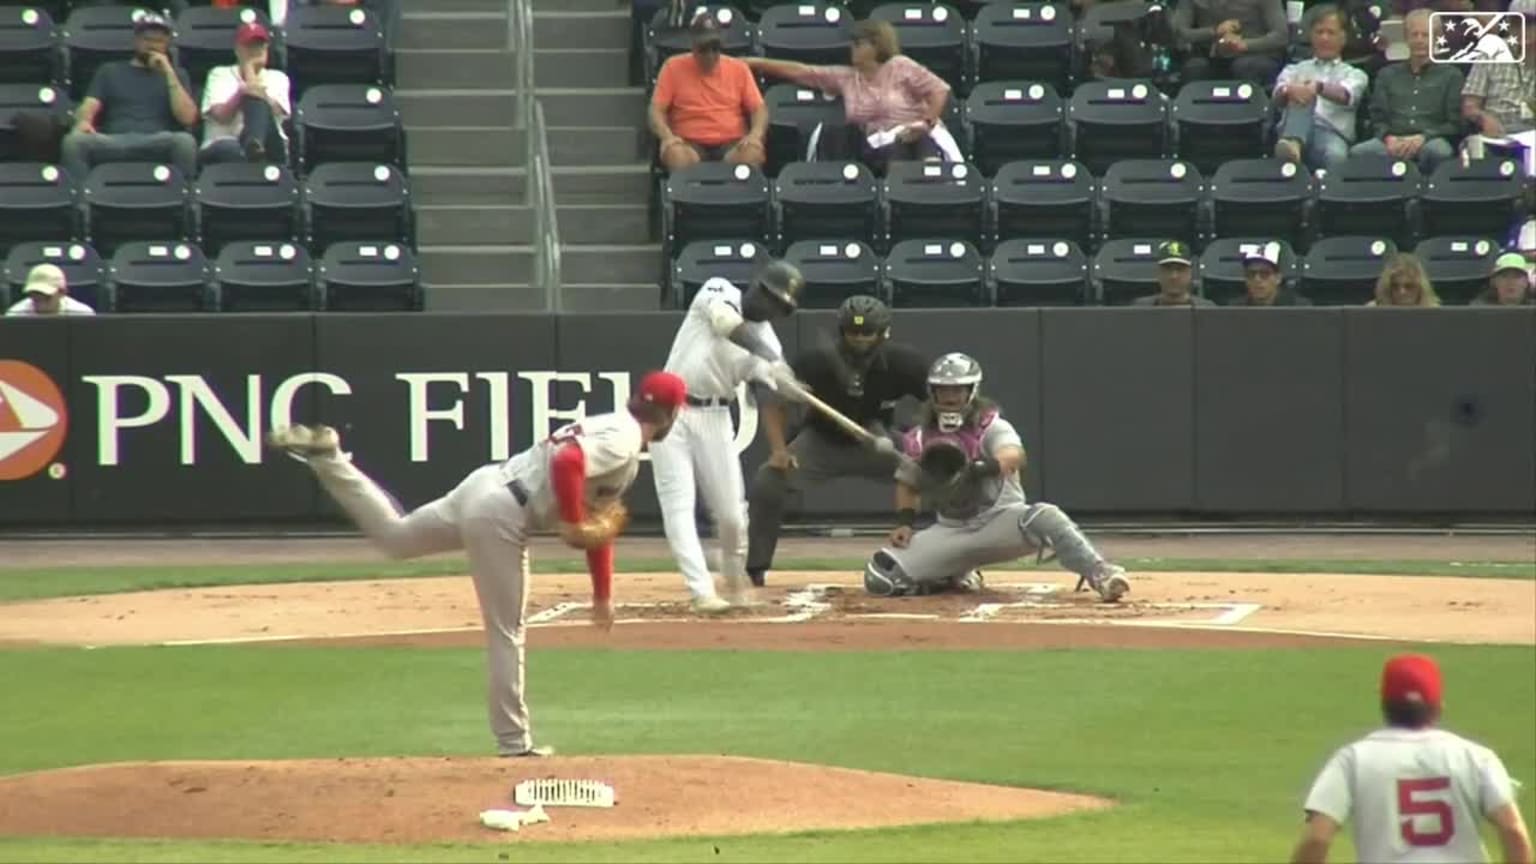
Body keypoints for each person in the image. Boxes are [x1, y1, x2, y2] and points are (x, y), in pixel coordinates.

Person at [264, 371, 689, 757]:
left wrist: (602, 593)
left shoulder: (612, 428)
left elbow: (599, 521)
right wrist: (573, 521)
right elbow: (568, 462)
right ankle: (514, 744)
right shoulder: (623, 439)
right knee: (508, 632)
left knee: (395, 538)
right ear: (670, 414)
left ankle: (328, 458)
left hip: (486, 486)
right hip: (503, 512)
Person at [863, 353, 1131, 601]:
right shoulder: (920, 437)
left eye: (957, 389)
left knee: (1045, 515)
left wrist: (980, 468)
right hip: (951, 530)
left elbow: (1014, 456)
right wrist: (905, 523)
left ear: (971, 391)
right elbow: (907, 483)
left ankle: (1101, 573)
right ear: (932, 393)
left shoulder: (992, 426)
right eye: (943, 390)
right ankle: (954, 574)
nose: (950, 397)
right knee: (881, 577)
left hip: (1001, 522)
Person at [652, 261, 810, 613]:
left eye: (778, 305)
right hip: (668, 409)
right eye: (767, 295)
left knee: (732, 516)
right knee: (678, 505)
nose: (768, 305)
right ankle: (701, 592)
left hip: (716, 416)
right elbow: (728, 325)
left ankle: (734, 576)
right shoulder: (719, 289)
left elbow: (765, 393)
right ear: (756, 286)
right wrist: (772, 360)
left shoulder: (769, 339)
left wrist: (784, 383)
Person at [745, 295, 930, 587]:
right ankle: (755, 569)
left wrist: (923, 445)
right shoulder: (814, 362)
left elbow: (934, 404)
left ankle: (950, 560)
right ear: (841, 331)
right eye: (852, 332)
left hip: (878, 442)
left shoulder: (905, 363)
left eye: (867, 332)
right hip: (821, 441)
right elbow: (773, 402)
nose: (859, 339)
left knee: (940, 477)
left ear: (884, 333)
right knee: (768, 481)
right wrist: (779, 450)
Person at [1291, 653, 1534, 864]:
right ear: (1438, 705)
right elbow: (1513, 831)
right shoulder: (1475, 757)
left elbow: (1317, 838)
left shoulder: (1352, 759)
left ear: (1384, 703)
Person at [743, 20, 961, 174]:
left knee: (919, 148)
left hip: (917, 135)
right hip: (878, 146)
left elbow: (939, 90)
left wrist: (925, 123)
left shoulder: (900, 66)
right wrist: (753, 63)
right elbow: (803, 71)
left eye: (859, 44)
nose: (852, 48)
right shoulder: (846, 78)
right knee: (893, 151)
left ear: (877, 46)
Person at [59, 13, 198, 183]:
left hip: (157, 140)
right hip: (113, 140)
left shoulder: (178, 75)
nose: (152, 46)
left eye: (159, 41)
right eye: (147, 39)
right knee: (73, 142)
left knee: (184, 142)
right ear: (136, 40)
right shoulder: (109, 71)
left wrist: (169, 72)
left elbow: (188, 118)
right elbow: (89, 105)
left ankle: (184, 198)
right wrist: (83, 121)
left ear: (167, 44)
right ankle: (80, 200)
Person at [649, 13, 767, 173]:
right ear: (693, 45)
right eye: (703, 49)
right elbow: (656, 110)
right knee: (675, 154)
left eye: (715, 49)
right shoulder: (672, 67)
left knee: (753, 153)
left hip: (732, 143)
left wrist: (755, 134)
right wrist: (667, 136)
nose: (710, 55)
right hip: (688, 143)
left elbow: (758, 109)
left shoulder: (739, 69)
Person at [1350, 10, 1464, 173]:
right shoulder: (1386, 74)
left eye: (1425, 35)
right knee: (1359, 153)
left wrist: (1423, 137)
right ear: (1406, 37)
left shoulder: (1451, 76)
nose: (1419, 40)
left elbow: (1455, 123)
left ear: (1437, 37)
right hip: (1392, 139)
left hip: (1430, 140)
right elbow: (1378, 119)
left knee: (1438, 151)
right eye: (1414, 34)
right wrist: (1388, 138)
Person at [1272, 6, 1370, 172]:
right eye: (1319, 32)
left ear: (1343, 38)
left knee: (1336, 157)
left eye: (1331, 33)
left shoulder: (1355, 74)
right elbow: (1276, 98)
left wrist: (1318, 88)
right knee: (1297, 91)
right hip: (1290, 128)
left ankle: (1293, 148)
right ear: (1311, 36)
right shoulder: (1293, 69)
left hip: (1331, 133)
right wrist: (1289, 90)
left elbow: (1347, 95)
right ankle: (1293, 143)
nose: (1324, 38)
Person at [198, 22, 291, 166]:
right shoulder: (219, 74)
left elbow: (276, 111)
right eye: (249, 46)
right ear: (237, 49)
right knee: (250, 95)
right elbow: (222, 116)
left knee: (257, 100)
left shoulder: (278, 78)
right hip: (223, 143)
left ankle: (253, 145)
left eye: (259, 45)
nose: (255, 50)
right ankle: (252, 146)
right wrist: (242, 91)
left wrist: (251, 82)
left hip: (270, 148)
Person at [1460, 12, 1536, 160]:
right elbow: (1469, 106)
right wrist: (1483, 117)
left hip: (1532, 133)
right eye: (1517, 23)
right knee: (1476, 153)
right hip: (1496, 134)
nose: (1523, 29)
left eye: (1530, 24)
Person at [1172, 0, 1288, 85]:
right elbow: (1177, 32)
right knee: (1195, 68)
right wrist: (1214, 31)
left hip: (1255, 54)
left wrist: (1244, 45)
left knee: (1246, 67)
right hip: (1210, 54)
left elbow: (1281, 35)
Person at [1134, 241, 1217, 307]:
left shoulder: (1207, 309)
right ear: (1158, 273)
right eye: (1168, 269)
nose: (1174, 276)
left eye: (1180, 269)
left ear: (1190, 273)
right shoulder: (1139, 309)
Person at [1229, 242, 1312, 306]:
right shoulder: (1235, 308)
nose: (1257, 279)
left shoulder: (1298, 307)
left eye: (1264, 274)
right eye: (1251, 274)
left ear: (1278, 278)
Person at [4, 264, 96, 317]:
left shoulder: (82, 315)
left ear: (62, 292)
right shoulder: (16, 315)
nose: (41, 306)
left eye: (47, 298)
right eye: (35, 298)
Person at [1370, 253, 1442, 306]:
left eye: (1409, 286)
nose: (1401, 292)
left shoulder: (1436, 313)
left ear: (1421, 288)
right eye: (1394, 286)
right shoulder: (1371, 312)